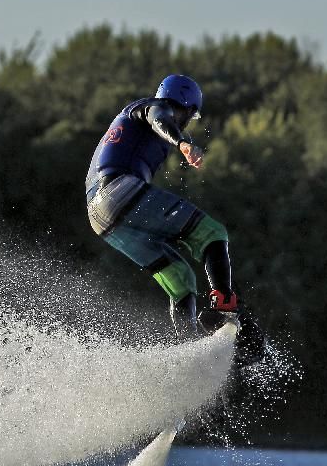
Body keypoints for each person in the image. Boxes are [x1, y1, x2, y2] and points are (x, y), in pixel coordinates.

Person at [85, 74, 242, 337]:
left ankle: (186, 348)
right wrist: (182, 143)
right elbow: (158, 117)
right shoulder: (152, 108)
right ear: (186, 107)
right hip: (118, 191)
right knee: (212, 233)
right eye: (190, 116)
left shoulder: (134, 120)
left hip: (99, 216)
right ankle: (225, 303)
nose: (187, 123)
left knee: (181, 279)